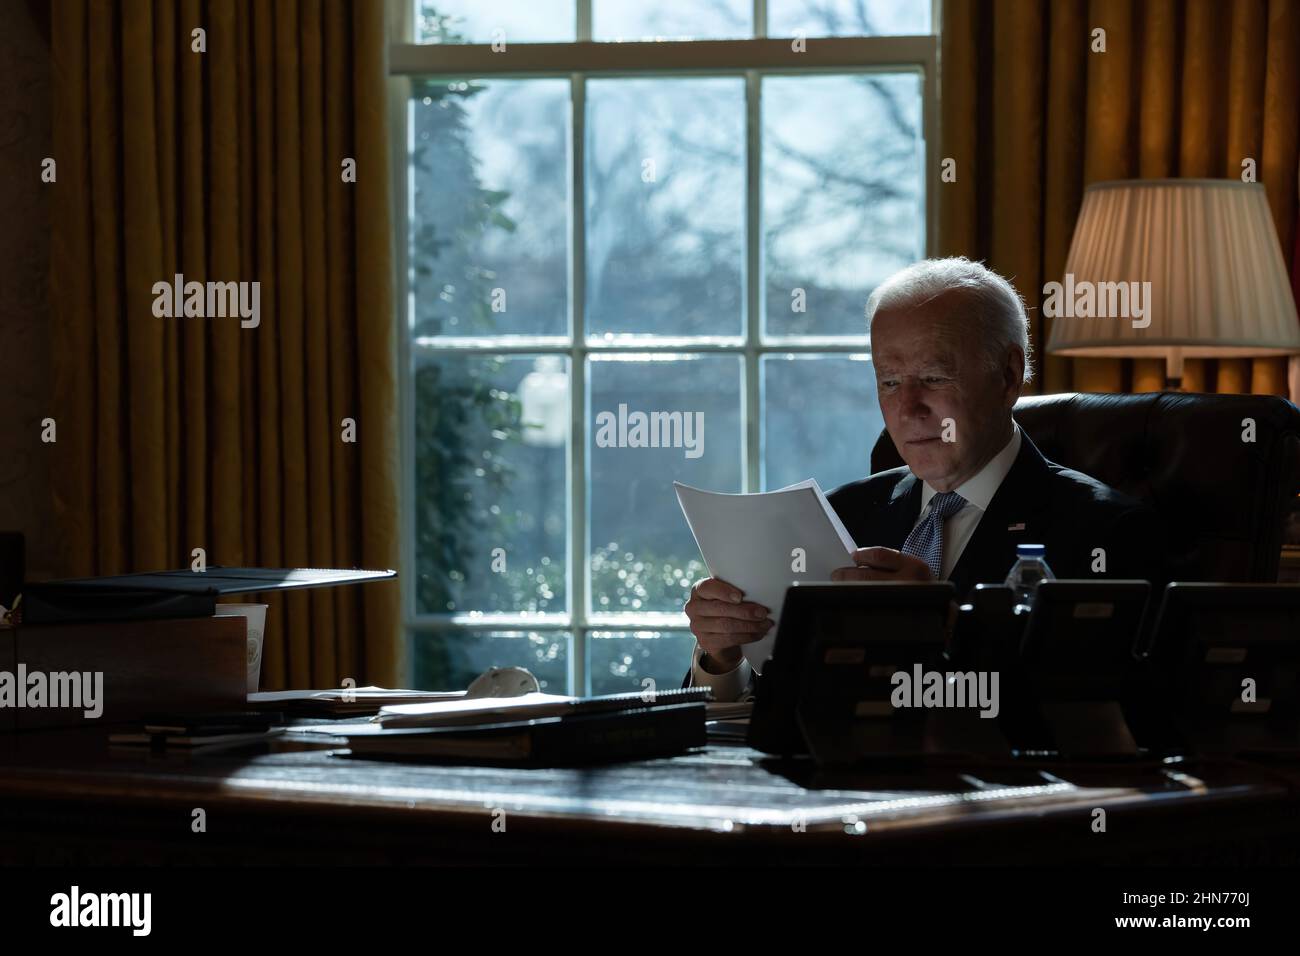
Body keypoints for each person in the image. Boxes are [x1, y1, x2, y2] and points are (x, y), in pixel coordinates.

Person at [683, 257, 1165, 702]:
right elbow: (774, 706)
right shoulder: (840, 517)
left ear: (1007, 376)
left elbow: (1113, 714)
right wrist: (721, 656)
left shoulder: (1108, 533)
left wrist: (943, 627)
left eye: (934, 378)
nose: (908, 409)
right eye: (889, 382)